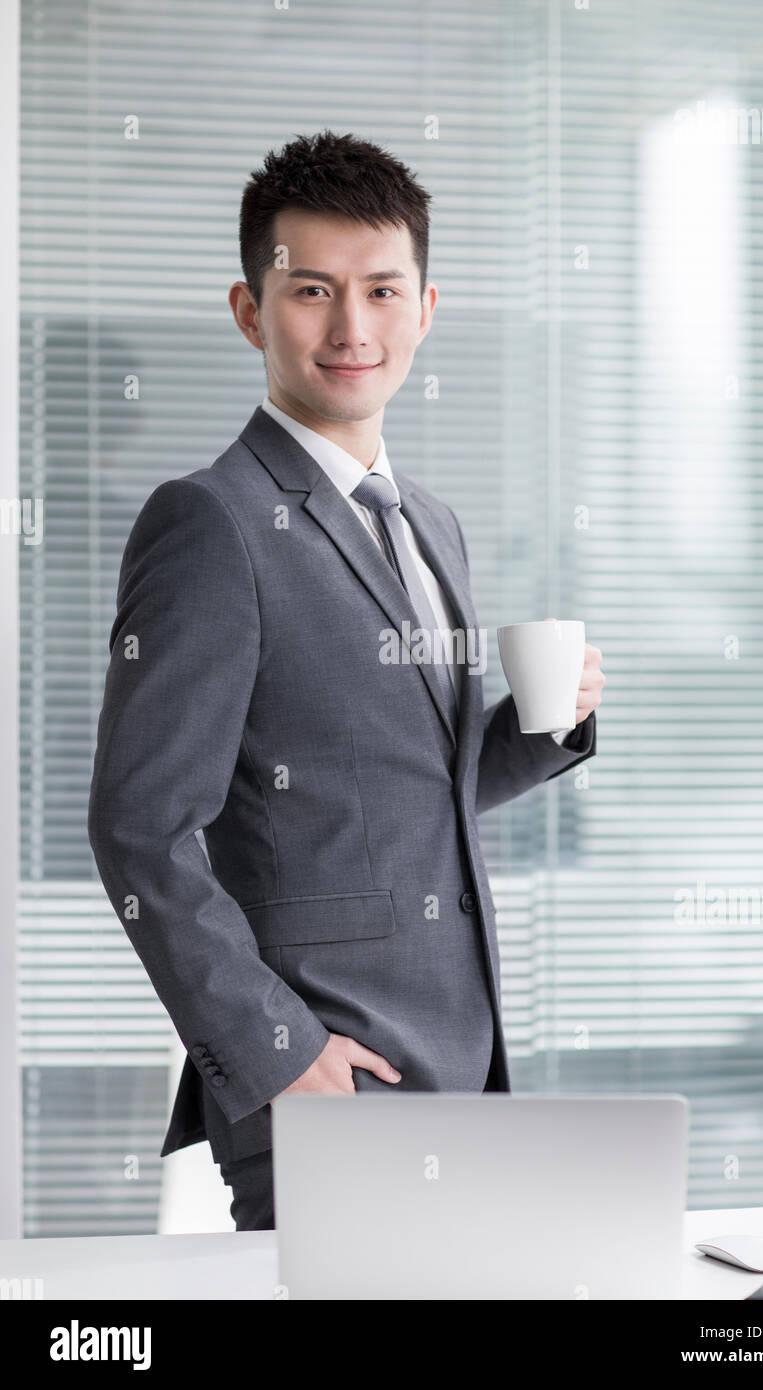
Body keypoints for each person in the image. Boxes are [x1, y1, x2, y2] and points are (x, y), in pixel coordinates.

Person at [87, 130, 604, 1231]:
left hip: (460, 1061)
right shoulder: (210, 522)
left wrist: (542, 729)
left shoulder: (429, 524)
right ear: (249, 310)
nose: (351, 326)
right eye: (311, 289)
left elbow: (400, 788)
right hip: (330, 1077)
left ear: (425, 307)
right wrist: (281, 1052)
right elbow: (139, 827)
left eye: (381, 289)